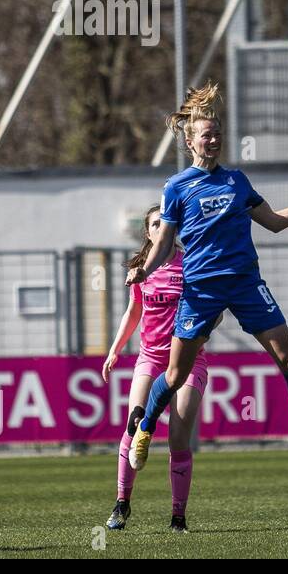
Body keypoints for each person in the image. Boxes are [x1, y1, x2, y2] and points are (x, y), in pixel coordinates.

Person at [124, 81, 288, 479]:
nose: (215, 140)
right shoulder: (176, 188)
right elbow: (164, 243)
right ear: (191, 141)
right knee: (173, 376)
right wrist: (144, 269)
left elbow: (274, 222)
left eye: (218, 134)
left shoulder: (236, 181)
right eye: (207, 135)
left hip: (244, 283)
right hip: (201, 289)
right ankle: (146, 428)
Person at [102, 205, 209, 533]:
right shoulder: (141, 270)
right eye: (155, 224)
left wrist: (203, 327)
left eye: (167, 223)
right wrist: (115, 350)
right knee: (134, 423)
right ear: (147, 232)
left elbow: (211, 310)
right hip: (150, 358)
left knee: (178, 438)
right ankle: (122, 503)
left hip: (189, 359)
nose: (162, 227)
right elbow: (133, 313)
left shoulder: (190, 264)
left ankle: (178, 517)